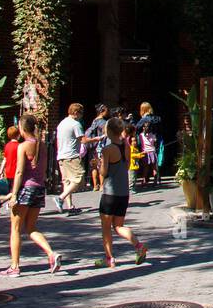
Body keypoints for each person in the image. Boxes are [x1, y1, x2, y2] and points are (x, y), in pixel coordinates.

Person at [0, 114, 62, 276]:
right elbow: (44, 169)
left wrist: (14, 194)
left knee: (15, 228)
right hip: (39, 188)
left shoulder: (22, 147)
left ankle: (14, 266)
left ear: (22, 129)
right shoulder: (43, 145)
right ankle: (51, 253)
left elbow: (19, 171)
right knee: (31, 227)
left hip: (25, 188)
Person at [95, 117, 148, 268]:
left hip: (110, 193)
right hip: (123, 193)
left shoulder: (108, 149)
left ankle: (109, 258)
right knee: (119, 226)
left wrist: (98, 164)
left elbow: (104, 172)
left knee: (106, 227)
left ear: (109, 131)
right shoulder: (126, 147)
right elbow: (125, 168)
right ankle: (138, 246)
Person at [54, 104, 87, 214]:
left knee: (67, 181)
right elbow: (83, 140)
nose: (82, 115)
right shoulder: (75, 124)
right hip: (72, 155)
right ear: (76, 112)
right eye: (81, 113)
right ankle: (60, 198)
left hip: (61, 155)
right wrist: (98, 138)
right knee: (79, 177)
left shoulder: (62, 123)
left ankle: (70, 207)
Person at [83, 104, 109, 192]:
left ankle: (95, 185)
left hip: (92, 146)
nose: (107, 112)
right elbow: (106, 134)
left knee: (93, 166)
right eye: (106, 110)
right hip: (100, 146)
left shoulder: (94, 121)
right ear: (102, 111)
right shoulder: (103, 122)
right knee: (101, 165)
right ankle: (102, 185)